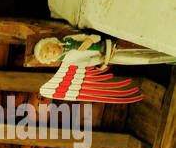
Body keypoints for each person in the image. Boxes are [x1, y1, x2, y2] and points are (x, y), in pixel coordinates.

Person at [34, 31, 176, 104]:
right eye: (47, 55)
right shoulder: (69, 62)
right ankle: (169, 57)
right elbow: (90, 63)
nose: (50, 52)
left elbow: (93, 36)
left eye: (47, 48)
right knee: (141, 58)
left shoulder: (68, 39)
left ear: (51, 41)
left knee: (141, 43)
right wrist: (102, 62)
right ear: (51, 60)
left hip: (110, 43)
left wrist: (90, 39)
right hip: (111, 55)